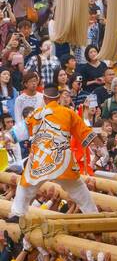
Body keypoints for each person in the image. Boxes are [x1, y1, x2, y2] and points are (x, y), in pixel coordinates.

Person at [6, 84, 105, 218]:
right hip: (62, 161)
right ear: (58, 98)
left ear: (44, 98)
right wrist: (100, 144)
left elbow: (19, 130)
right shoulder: (68, 112)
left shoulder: (36, 114)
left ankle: (17, 215)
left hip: (39, 162)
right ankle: (93, 215)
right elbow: (84, 131)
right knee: (78, 188)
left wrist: (6, 138)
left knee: (25, 187)